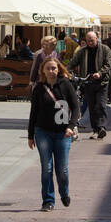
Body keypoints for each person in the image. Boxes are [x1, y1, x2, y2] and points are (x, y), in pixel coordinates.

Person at [27, 56, 80, 211]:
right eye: (48, 68)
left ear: (59, 69)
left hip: (63, 133)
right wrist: (30, 135)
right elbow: (33, 112)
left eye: (54, 68)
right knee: (46, 167)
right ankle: (48, 200)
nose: (51, 71)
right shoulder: (38, 88)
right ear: (43, 70)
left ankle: (64, 192)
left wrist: (71, 126)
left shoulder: (66, 85)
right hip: (42, 131)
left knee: (62, 169)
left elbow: (76, 108)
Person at [73, 31, 111, 139]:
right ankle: (96, 129)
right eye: (88, 40)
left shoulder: (105, 49)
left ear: (97, 38)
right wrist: (65, 71)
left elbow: (108, 64)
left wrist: (99, 73)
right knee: (92, 107)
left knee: (101, 105)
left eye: (92, 40)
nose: (90, 42)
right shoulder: (82, 51)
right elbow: (73, 62)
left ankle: (102, 127)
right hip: (88, 82)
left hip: (102, 82)